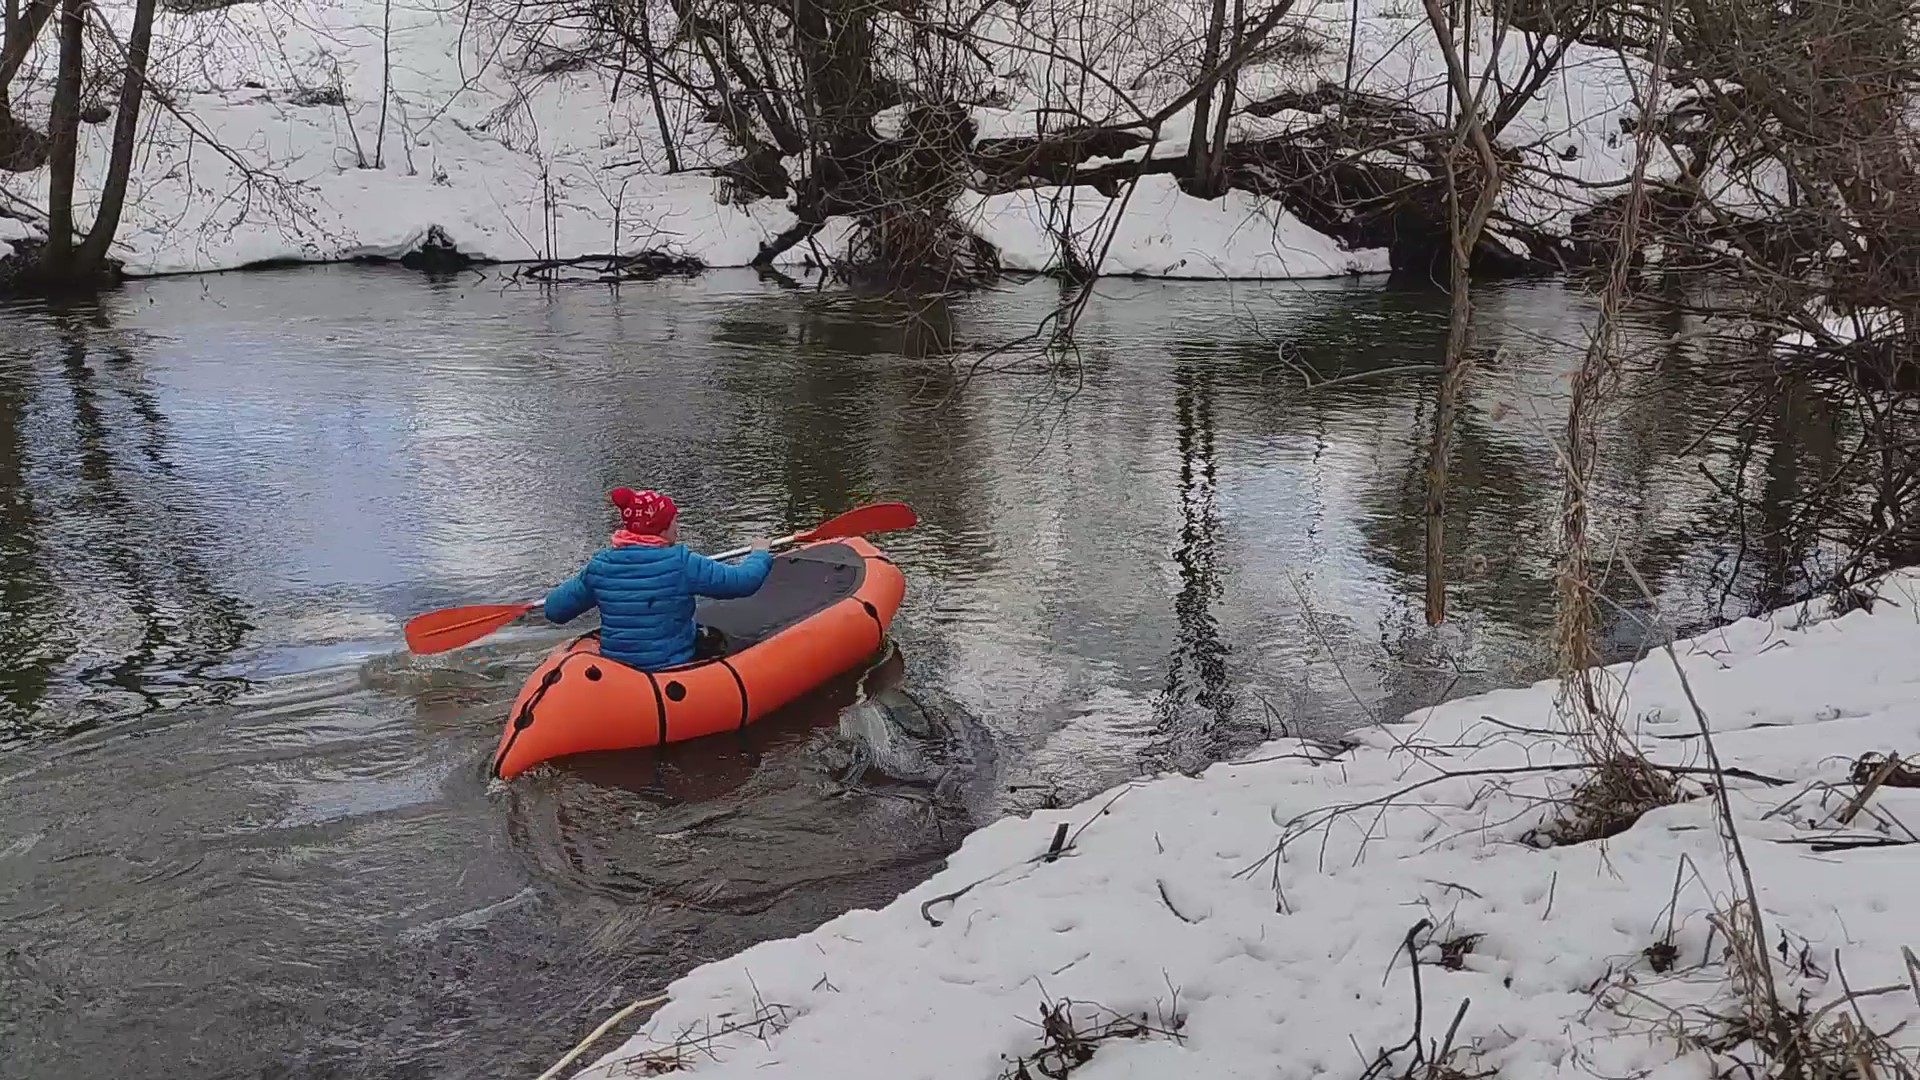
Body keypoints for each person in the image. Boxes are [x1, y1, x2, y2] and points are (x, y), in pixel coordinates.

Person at [542, 488, 773, 670]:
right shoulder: (682, 562)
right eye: (674, 521)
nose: (677, 528)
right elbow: (744, 581)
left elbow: (555, 610)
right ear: (660, 528)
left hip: (616, 669)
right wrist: (760, 553)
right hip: (670, 666)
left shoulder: (600, 566)